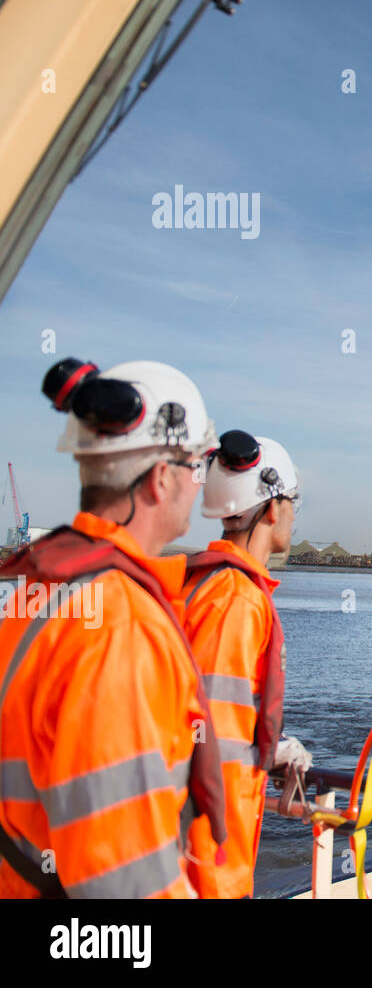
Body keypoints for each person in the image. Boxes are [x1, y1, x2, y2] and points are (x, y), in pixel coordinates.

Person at [0, 358, 224, 898]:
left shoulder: (23, 585)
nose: (200, 486)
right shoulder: (118, 623)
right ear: (161, 477)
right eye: (199, 465)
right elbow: (123, 882)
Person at [182, 430, 311, 898]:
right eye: (294, 502)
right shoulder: (236, 600)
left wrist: (266, 747)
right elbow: (202, 744)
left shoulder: (203, 584)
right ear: (273, 507)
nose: (294, 516)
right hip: (205, 863)